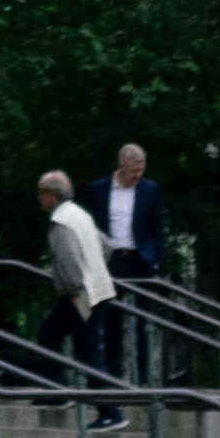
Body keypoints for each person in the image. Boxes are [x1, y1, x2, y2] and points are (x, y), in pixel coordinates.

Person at [35, 170, 123, 421]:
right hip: (97, 292)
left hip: (79, 296)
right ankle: (56, 391)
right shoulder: (79, 215)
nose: (39, 199)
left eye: (41, 194)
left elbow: (69, 260)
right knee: (48, 333)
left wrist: (75, 288)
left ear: (52, 195)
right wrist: (93, 270)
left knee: (88, 352)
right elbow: (107, 246)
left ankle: (111, 413)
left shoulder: (61, 222)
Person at [103, 140, 170, 382]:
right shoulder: (101, 189)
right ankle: (112, 374)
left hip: (138, 259)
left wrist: (155, 261)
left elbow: (157, 229)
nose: (137, 176)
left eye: (141, 170)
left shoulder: (149, 189)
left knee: (143, 320)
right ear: (121, 165)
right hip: (111, 260)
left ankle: (142, 377)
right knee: (111, 319)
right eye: (134, 171)